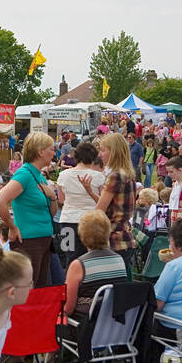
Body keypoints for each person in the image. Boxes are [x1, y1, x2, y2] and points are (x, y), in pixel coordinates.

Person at [0, 131, 59, 288]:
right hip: (29, 241)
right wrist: (12, 226)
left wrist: (52, 197)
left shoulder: (39, 175)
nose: (54, 153)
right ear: (41, 151)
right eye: (51, 149)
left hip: (44, 239)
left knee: (39, 289)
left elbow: (52, 213)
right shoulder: (25, 174)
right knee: (26, 288)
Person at [62, 209, 128, 320]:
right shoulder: (119, 259)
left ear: (82, 235)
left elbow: (68, 308)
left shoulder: (78, 265)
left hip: (86, 324)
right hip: (113, 321)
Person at [91, 132, 140, 277]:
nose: (100, 155)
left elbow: (100, 210)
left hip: (114, 239)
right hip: (126, 237)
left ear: (114, 152)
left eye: (103, 150)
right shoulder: (127, 174)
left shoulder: (115, 176)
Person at [56, 140, 105, 224]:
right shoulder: (98, 176)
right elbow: (102, 201)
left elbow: (61, 199)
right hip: (91, 219)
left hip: (68, 218)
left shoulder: (63, 175)